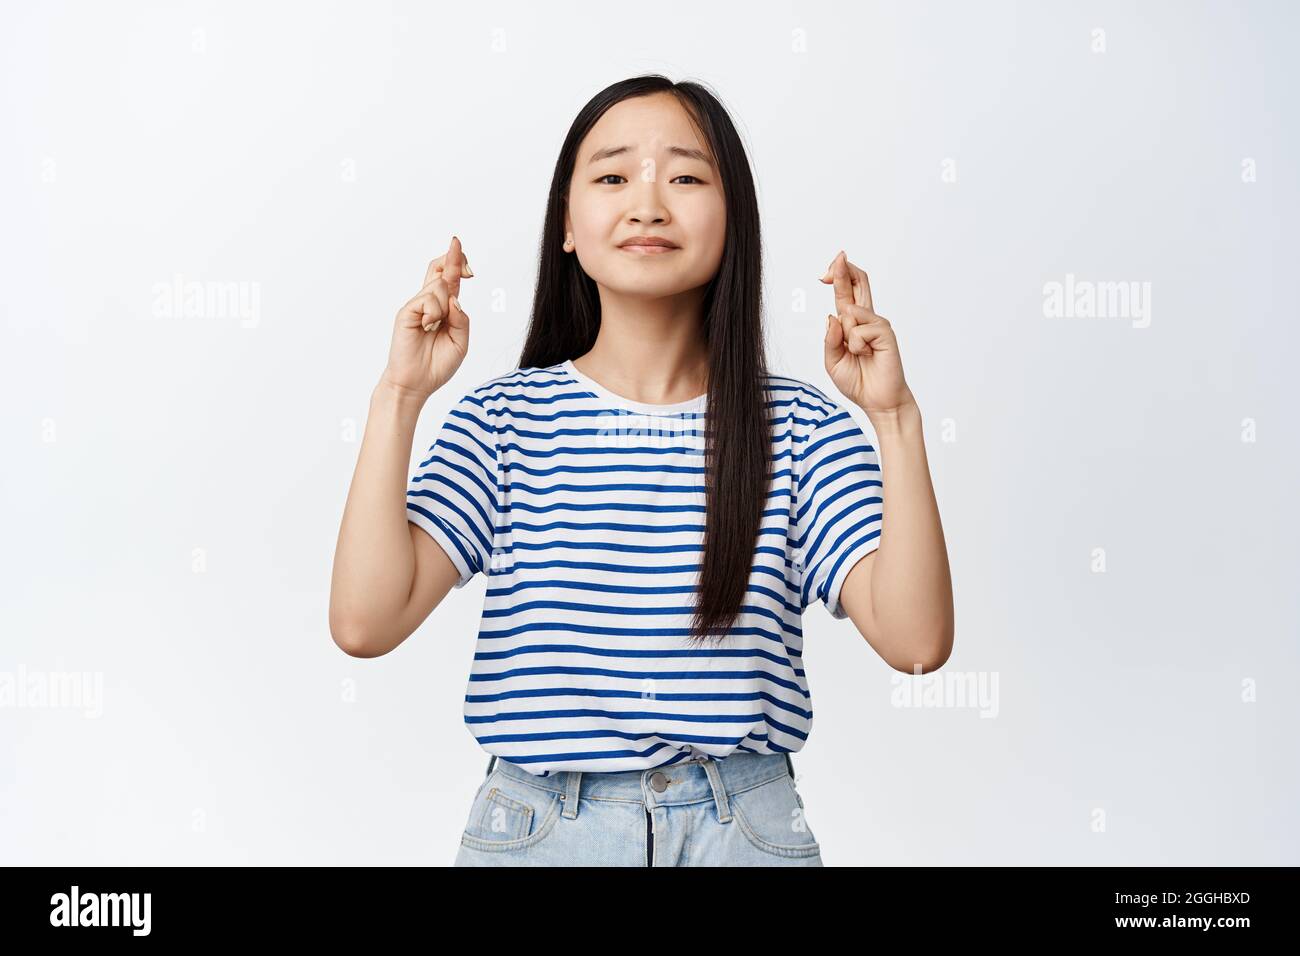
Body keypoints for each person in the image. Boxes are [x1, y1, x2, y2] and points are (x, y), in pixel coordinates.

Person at [329, 74, 954, 866]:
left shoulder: (799, 425)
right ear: (568, 224)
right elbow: (363, 623)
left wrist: (895, 419)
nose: (649, 203)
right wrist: (400, 395)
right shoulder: (502, 421)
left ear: (735, 221)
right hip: (539, 830)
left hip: (744, 830)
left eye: (687, 176)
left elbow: (918, 643)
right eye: (613, 176)